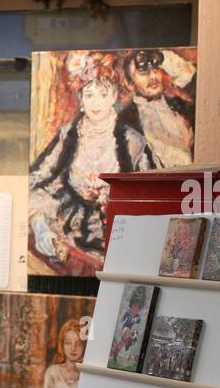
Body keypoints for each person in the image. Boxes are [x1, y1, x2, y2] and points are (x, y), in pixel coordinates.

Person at [29, 53, 156, 274]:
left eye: (103, 94)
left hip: (119, 240)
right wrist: (39, 223)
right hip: (71, 234)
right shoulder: (68, 135)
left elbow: (152, 199)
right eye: (89, 94)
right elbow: (38, 181)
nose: (95, 103)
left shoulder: (133, 142)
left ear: (114, 96)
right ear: (80, 98)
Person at [117, 48, 196, 168]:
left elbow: (191, 76)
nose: (153, 76)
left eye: (155, 69)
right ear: (129, 83)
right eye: (143, 72)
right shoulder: (128, 122)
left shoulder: (178, 105)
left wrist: (161, 56)